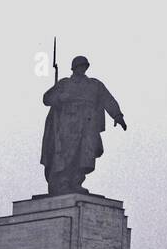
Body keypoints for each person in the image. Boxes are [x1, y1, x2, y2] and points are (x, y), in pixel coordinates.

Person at [39, 55, 127, 194]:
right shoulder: (64, 84)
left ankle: (76, 182)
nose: (82, 69)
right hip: (68, 124)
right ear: (74, 68)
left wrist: (117, 115)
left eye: (84, 66)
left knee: (85, 154)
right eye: (79, 66)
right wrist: (60, 98)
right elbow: (47, 98)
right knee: (67, 153)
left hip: (88, 124)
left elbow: (107, 99)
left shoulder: (94, 84)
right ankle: (63, 183)